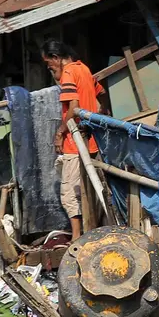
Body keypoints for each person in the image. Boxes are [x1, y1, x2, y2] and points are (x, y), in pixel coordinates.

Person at [43, 40, 106, 240]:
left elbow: (73, 107)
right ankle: (90, 231)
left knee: (69, 193)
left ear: (56, 58)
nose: (48, 67)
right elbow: (101, 94)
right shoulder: (84, 69)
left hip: (75, 141)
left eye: (48, 63)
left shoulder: (69, 72)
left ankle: (77, 237)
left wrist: (60, 133)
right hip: (92, 141)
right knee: (89, 190)